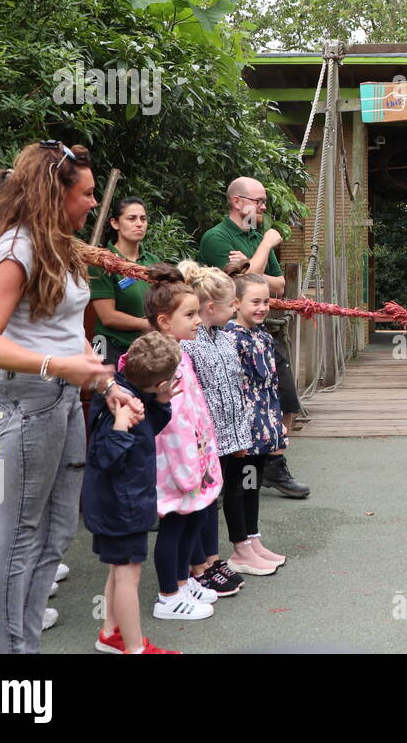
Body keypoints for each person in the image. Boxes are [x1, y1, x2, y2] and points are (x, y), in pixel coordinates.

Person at [0, 140, 143, 653]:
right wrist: (57, 367)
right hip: (24, 402)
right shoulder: (15, 248)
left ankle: (27, 645)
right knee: (18, 536)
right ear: (53, 192)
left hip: (65, 401)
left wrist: (106, 384)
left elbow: (66, 331)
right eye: (84, 194)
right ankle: (7, 653)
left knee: (57, 533)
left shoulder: (62, 244)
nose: (92, 203)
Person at [198, 177, 309, 499]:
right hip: (228, 334)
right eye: (258, 201)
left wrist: (249, 266)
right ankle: (230, 471)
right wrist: (264, 249)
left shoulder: (255, 235)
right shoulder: (215, 237)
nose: (263, 207)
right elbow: (237, 286)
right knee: (235, 399)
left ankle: (274, 463)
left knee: (284, 393)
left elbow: (276, 285)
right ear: (237, 202)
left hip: (263, 332)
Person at [83, 332, 182, 654]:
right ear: (160, 381)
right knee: (129, 578)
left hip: (125, 502)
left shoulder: (131, 395)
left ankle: (110, 632)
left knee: (118, 569)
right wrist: (120, 427)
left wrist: (162, 405)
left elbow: (147, 430)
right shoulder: (117, 410)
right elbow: (103, 459)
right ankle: (136, 647)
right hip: (121, 507)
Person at [141, 265, 224, 620]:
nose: (196, 320)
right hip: (175, 461)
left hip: (195, 454)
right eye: (188, 314)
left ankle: (183, 580)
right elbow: (168, 419)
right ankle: (167, 595)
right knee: (175, 523)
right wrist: (187, 462)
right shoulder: (160, 361)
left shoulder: (181, 353)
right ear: (163, 321)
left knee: (195, 518)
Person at [177, 261, 247, 596]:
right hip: (202, 437)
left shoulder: (223, 337)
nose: (237, 307)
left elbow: (233, 384)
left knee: (212, 499)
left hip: (226, 435)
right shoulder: (188, 344)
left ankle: (213, 558)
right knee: (199, 502)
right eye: (232, 303)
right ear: (210, 307)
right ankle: (197, 565)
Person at [223, 272, 289, 575]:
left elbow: (271, 383)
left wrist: (277, 420)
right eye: (255, 302)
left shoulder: (262, 335)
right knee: (237, 484)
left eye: (266, 301)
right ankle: (239, 548)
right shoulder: (231, 338)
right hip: (242, 424)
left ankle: (253, 538)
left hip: (264, 420)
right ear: (236, 303)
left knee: (253, 482)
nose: (262, 307)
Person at [88, 197, 158, 363]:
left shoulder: (153, 262)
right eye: (131, 218)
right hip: (110, 348)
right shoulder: (102, 262)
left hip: (147, 349)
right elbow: (108, 317)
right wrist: (149, 324)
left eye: (143, 219)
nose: (139, 224)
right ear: (115, 223)